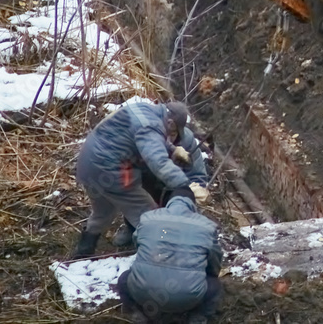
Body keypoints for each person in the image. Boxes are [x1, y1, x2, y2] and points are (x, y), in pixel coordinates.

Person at [72, 100, 209, 259]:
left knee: (103, 212)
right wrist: (186, 187)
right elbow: (158, 162)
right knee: (150, 215)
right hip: (111, 171)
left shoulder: (145, 110)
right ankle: (161, 257)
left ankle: (83, 252)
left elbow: (150, 136)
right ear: (170, 123)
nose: (171, 137)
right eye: (172, 133)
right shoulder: (150, 126)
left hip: (89, 166)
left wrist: (173, 150)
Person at [116, 185, 223, 324]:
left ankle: (137, 314)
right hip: (187, 298)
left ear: (168, 202)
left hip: (142, 294)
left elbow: (138, 243)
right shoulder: (206, 226)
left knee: (124, 280)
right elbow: (214, 259)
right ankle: (198, 318)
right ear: (193, 205)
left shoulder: (148, 218)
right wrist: (208, 273)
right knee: (215, 287)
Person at [110, 120, 211, 248]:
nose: (168, 137)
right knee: (133, 191)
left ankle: (168, 237)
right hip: (146, 181)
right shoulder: (147, 136)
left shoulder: (188, 142)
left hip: (175, 188)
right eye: (166, 132)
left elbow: (198, 174)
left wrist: (195, 189)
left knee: (173, 214)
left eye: (173, 133)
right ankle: (132, 228)